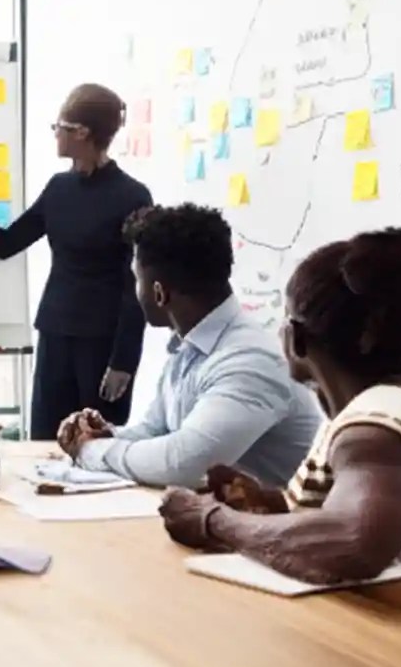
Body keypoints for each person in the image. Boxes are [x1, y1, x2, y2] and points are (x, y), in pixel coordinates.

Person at [161, 228, 401, 587]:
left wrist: (213, 519)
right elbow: (347, 509)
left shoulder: (378, 427)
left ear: (296, 337)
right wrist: (264, 503)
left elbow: (354, 543)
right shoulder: (395, 401)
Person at [0, 83, 151, 440]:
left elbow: (137, 283)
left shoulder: (132, 195)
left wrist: (125, 361)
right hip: (55, 334)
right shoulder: (59, 188)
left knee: (96, 449)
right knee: (44, 443)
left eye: (59, 127)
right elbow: (5, 244)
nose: (55, 135)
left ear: (82, 133)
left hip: (103, 343)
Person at [58, 204, 320, 488]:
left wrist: (91, 451)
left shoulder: (250, 359)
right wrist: (105, 436)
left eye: (136, 280)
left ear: (159, 293)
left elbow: (184, 464)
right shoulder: (190, 347)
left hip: (278, 526)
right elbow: (156, 431)